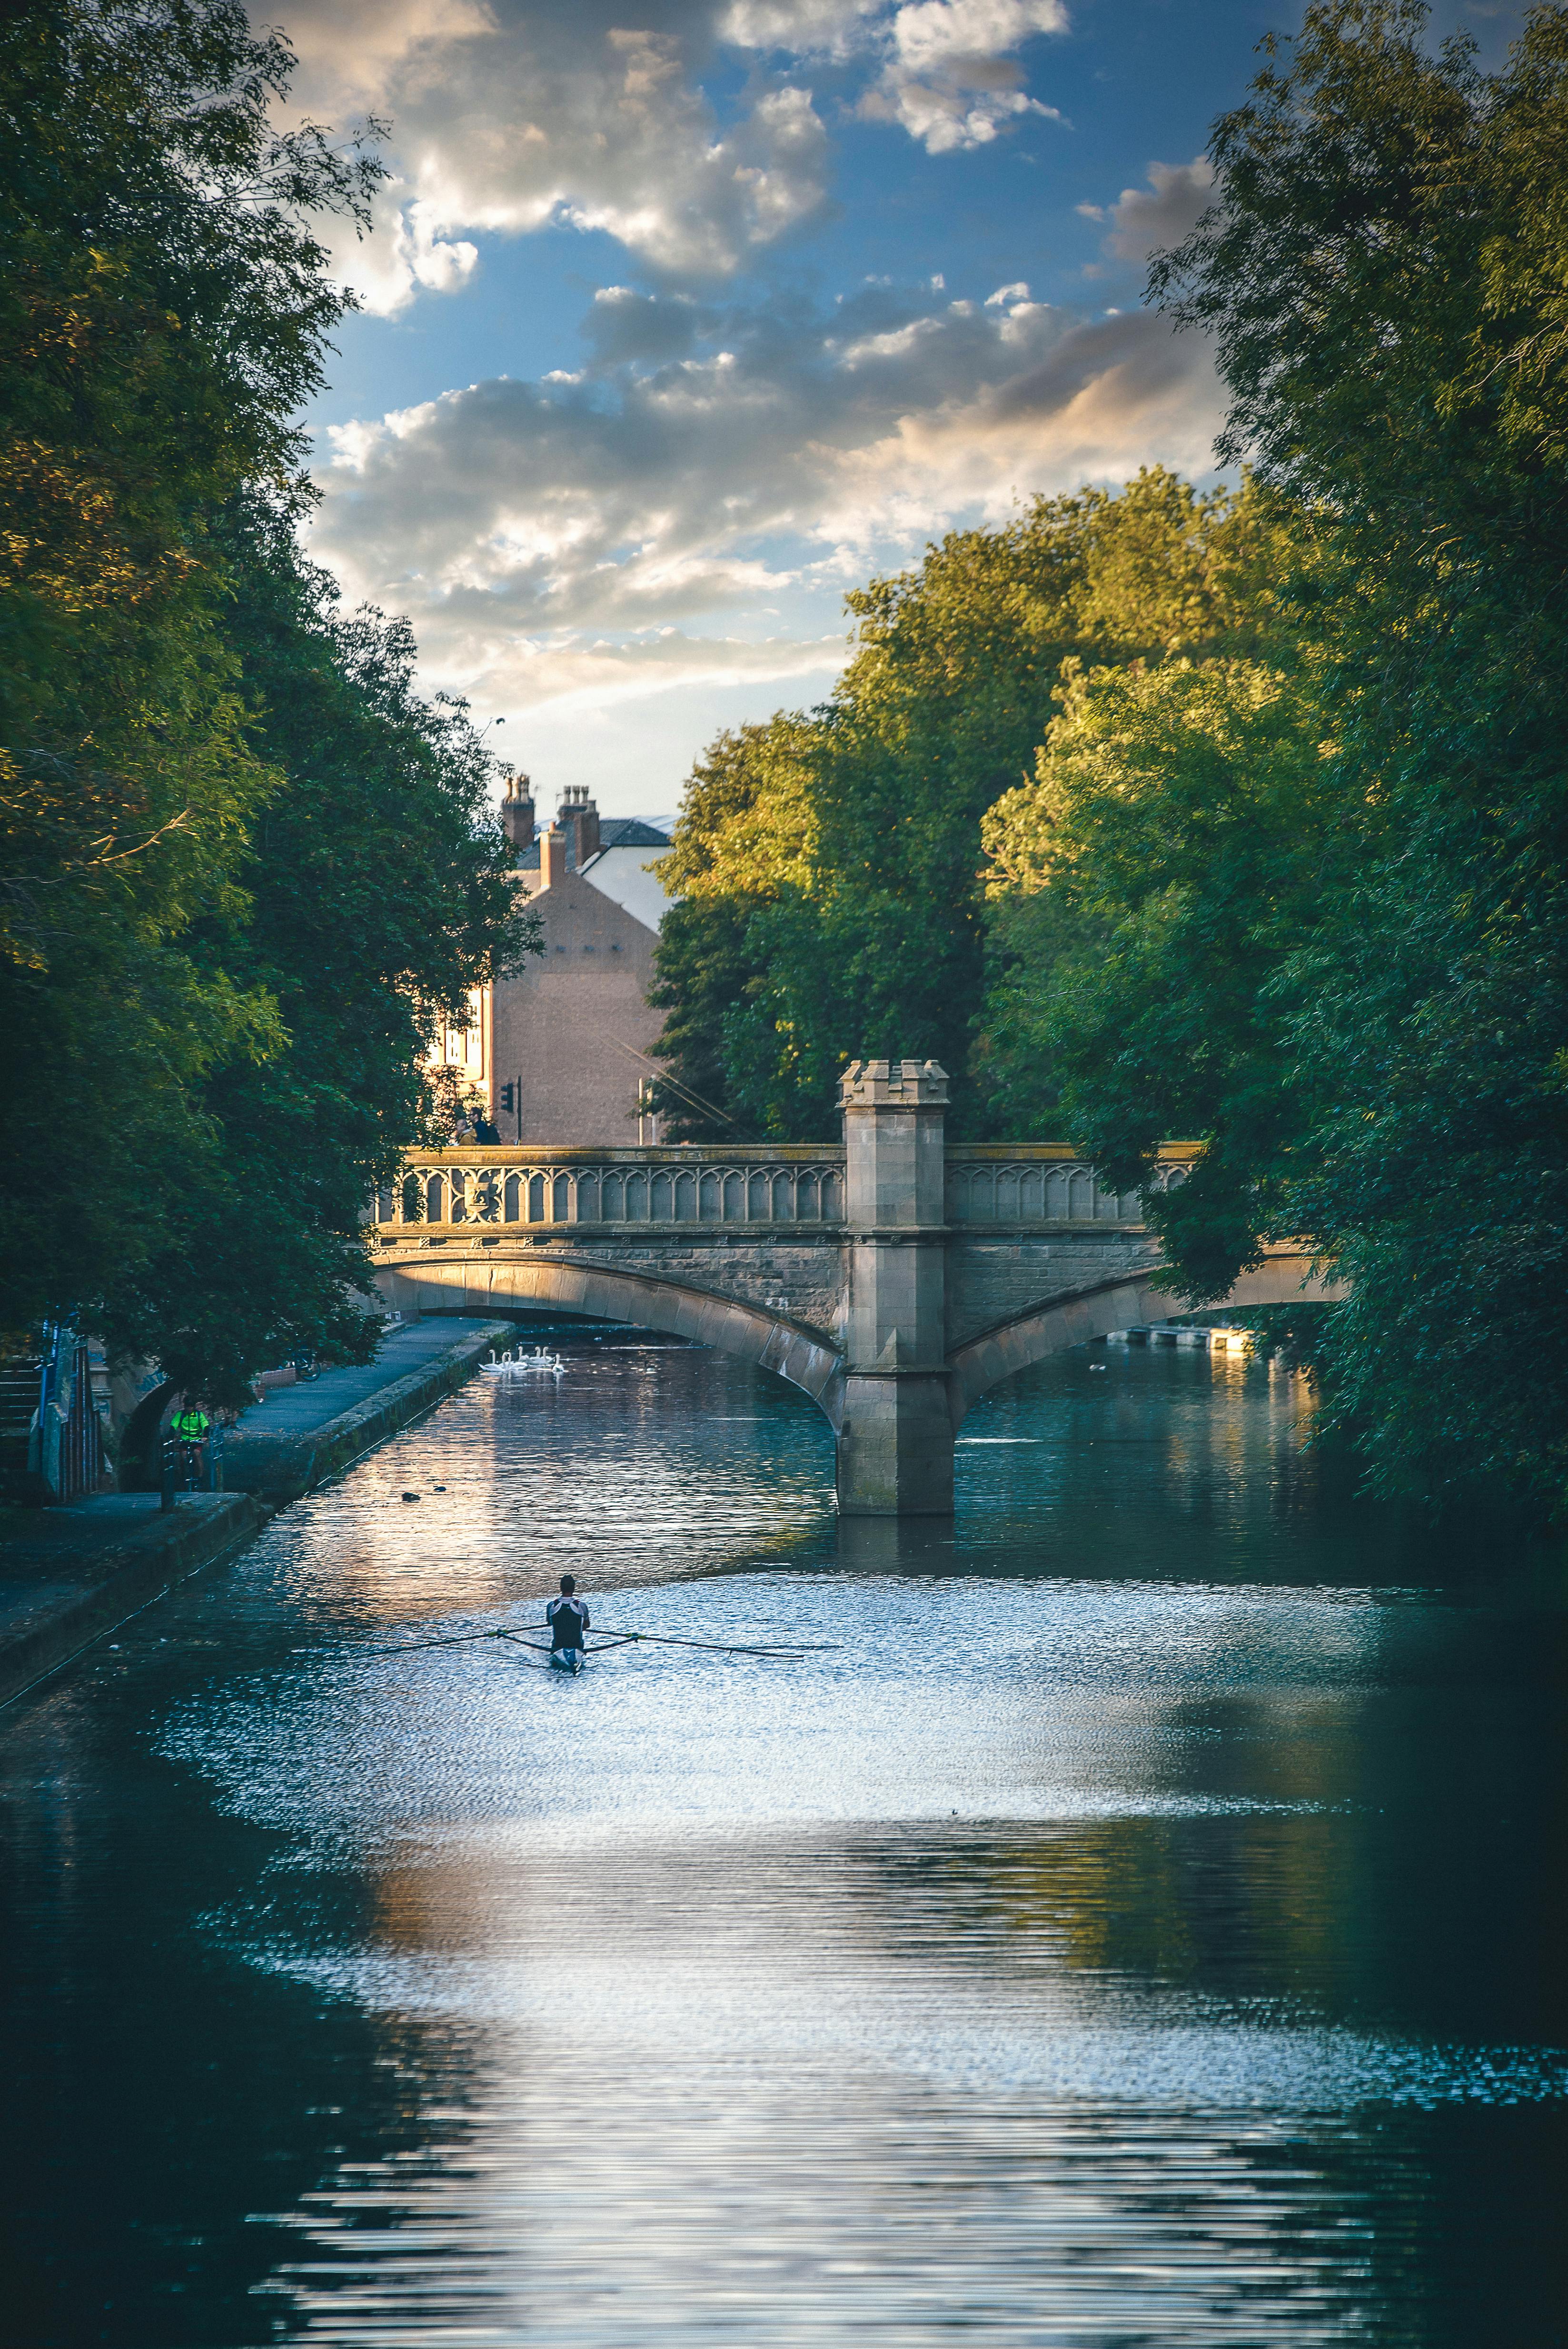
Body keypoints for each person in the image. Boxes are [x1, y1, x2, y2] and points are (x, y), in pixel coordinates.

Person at [546, 1574, 590, 1673]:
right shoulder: (581, 1606)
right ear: (574, 1588)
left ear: (560, 1588)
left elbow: (550, 1623)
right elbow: (586, 1626)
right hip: (576, 1645)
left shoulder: (551, 1606)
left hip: (558, 1646)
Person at [172, 1402, 210, 1489]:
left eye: (191, 1407)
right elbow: (174, 1425)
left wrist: (205, 1436)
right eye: (188, 1407)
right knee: (183, 1457)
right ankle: (183, 1476)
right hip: (185, 1440)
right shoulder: (180, 1415)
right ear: (185, 1407)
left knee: (197, 1454)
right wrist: (172, 1436)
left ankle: (200, 1477)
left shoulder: (199, 1415)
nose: (189, 1409)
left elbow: (206, 1425)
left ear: (194, 1407)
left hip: (196, 1440)